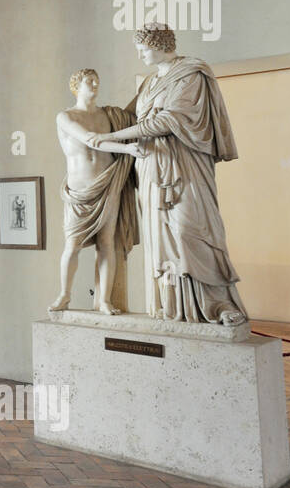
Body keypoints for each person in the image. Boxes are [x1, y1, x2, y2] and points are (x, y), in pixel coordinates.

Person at [84, 24, 247, 326]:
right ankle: (172, 308)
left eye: (143, 48)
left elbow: (165, 122)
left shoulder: (190, 74)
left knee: (192, 231)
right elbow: (129, 115)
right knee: (160, 241)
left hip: (184, 166)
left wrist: (115, 136)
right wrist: (85, 113)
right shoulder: (149, 82)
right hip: (151, 170)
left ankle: (218, 305)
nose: (140, 54)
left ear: (159, 45)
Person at [49, 69, 142, 314]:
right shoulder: (66, 116)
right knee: (73, 244)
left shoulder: (109, 115)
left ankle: (104, 300)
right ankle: (64, 295)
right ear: (76, 85)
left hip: (108, 184)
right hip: (80, 191)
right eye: (89, 80)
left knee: (106, 244)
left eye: (97, 80)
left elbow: (132, 115)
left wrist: (145, 89)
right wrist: (128, 149)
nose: (95, 84)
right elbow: (91, 140)